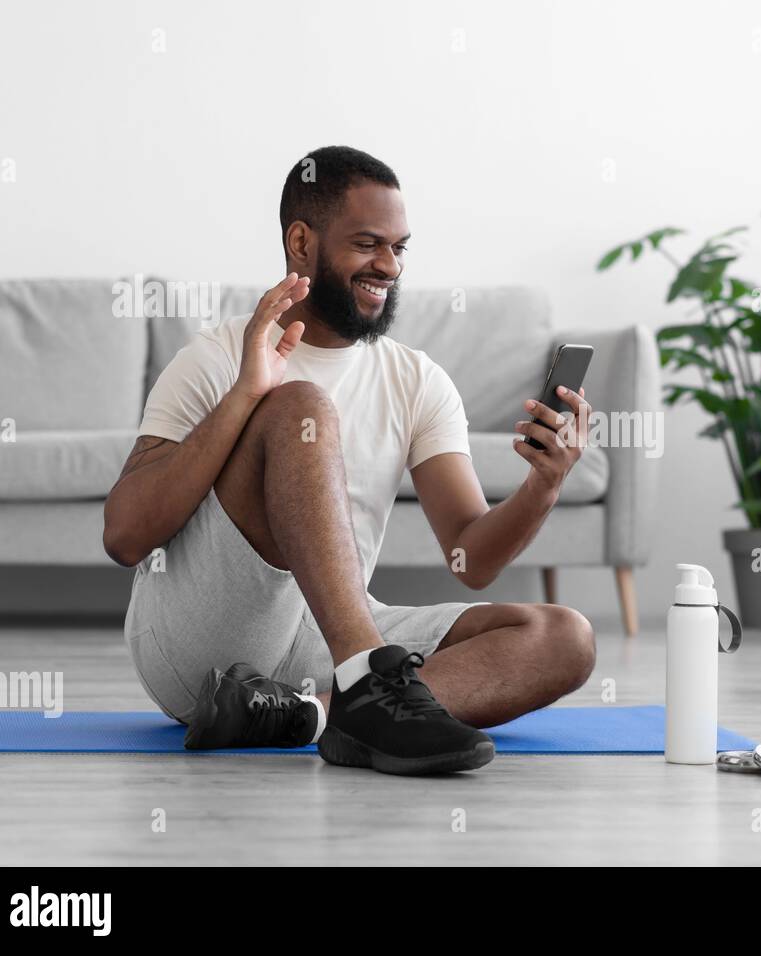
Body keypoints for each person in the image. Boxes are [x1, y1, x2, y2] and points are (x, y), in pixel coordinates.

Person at [103, 145, 596, 775]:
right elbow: (124, 537)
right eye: (368, 243)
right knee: (298, 405)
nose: (389, 266)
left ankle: (311, 714)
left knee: (564, 638)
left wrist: (543, 487)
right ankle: (365, 684)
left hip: (329, 641)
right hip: (201, 647)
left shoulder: (418, 380)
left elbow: (470, 560)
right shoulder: (219, 355)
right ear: (302, 243)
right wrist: (247, 396)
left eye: (399, 247)